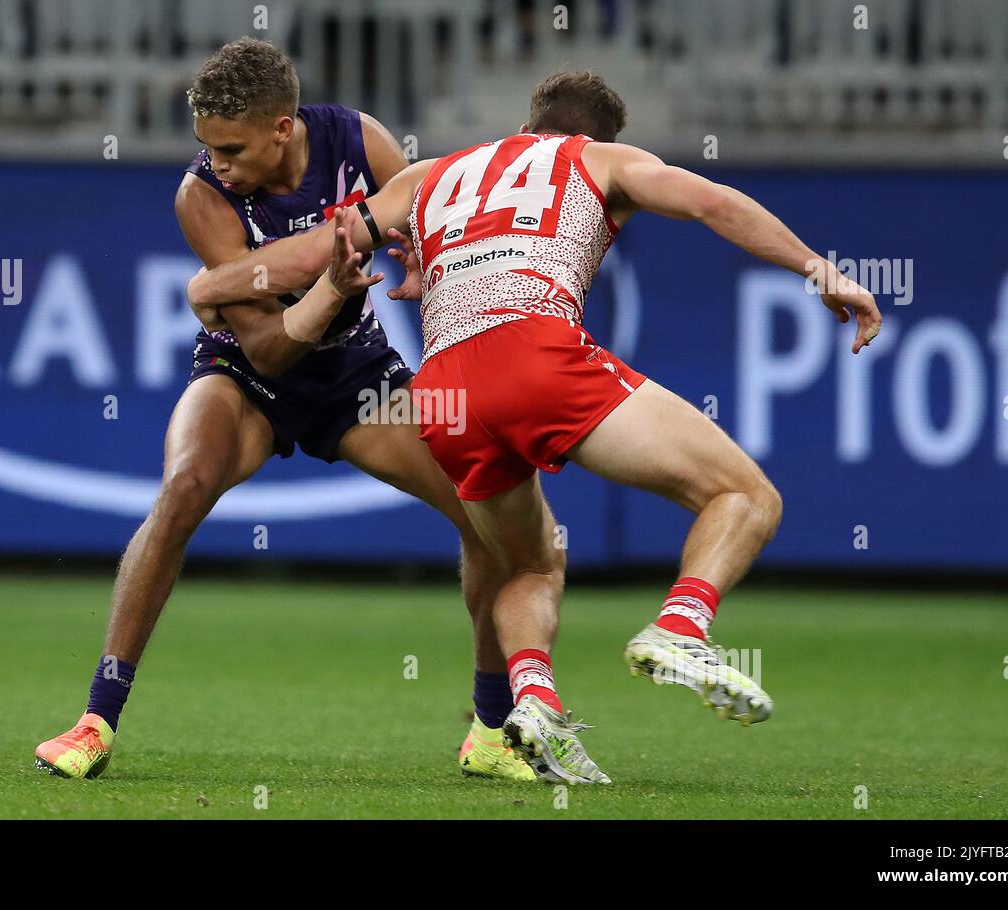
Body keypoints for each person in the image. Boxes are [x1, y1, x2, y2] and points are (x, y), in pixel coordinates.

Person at [188, 70, 882, 784]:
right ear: (593, 136)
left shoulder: (431, 174)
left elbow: (317, 250)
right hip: (535, 356)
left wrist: (214, 284)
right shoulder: (601, 160)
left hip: (443, 395)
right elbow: (711, 202)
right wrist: (819, 271)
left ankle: (534, 705)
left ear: (527, 125)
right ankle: (682, 625)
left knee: (528, 561)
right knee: (745, 495)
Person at [35, 38, 532, 782]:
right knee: (182, 490)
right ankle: (95, 720)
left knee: (483, 510)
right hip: (248, 377)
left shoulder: (360, 141)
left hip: (355, 376)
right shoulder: (200, 197)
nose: (217, 163)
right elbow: (266, 348)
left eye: (231, 148)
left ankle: (491, 731)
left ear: (282, 127)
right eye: (205, 146)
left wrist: (426, 266)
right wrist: (331, 284)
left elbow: (425, 224)